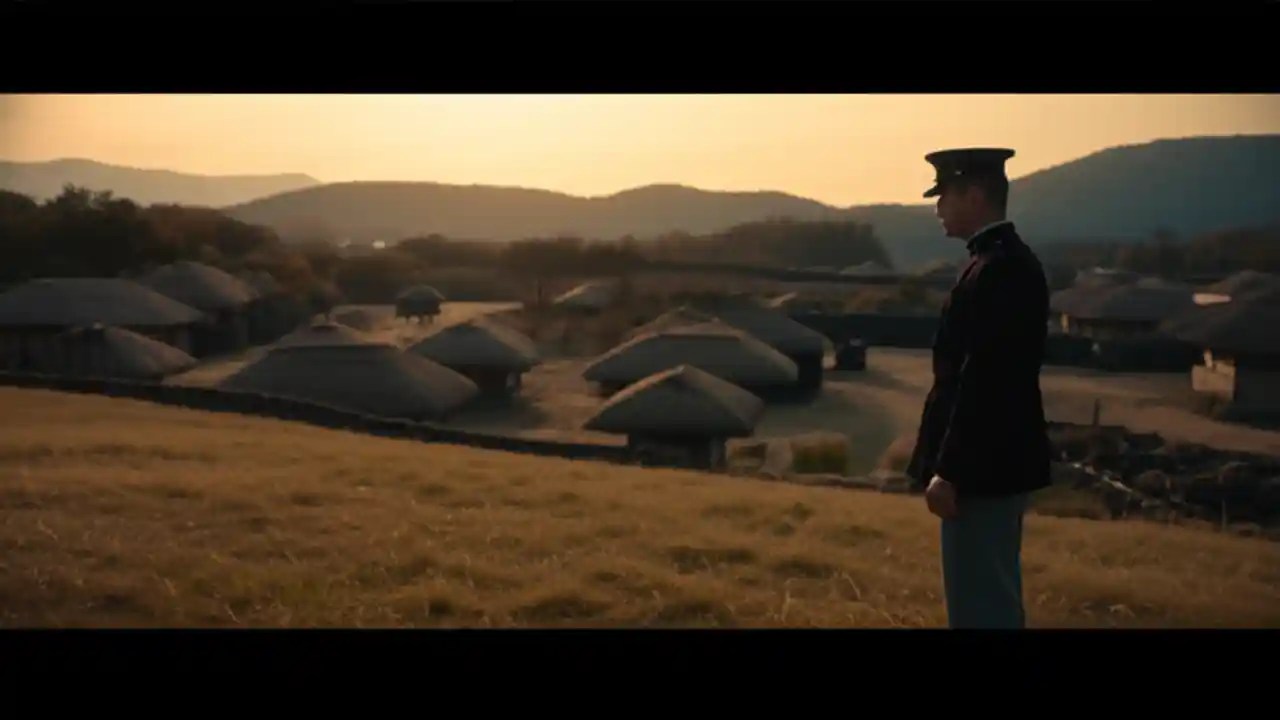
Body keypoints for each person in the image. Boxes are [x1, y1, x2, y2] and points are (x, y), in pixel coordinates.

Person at [905, 147, 1052, 629]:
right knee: (981, 599)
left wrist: (950, 469)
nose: (938, 207)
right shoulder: (992, 263)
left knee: (982, 606)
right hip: (987, 464)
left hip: (984, 468)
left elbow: (987, 379)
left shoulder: (1001, 270)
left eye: (945, 195)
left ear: (974, 194)